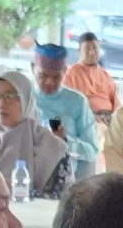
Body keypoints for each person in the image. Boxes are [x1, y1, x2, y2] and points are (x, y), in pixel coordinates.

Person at [0, 70, 70, 199]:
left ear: (26, 99)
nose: (1, 103)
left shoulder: (52, 147)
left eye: (10, 96)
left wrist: (17, 191)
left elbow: (62, 198)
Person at [31, 44, 100, 181]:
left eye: (56, 77)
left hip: (65, 178)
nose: (49, 82)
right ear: (33, 68)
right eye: (43, 75)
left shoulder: (77, 102)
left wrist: (65, 141)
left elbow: (91, 150)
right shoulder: (24, 98)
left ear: (65, 71)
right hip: (30, 173)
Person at [64, 32, 118, 124]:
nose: (92, 52)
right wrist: (91, 117)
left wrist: (116, 117)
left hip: (108, 119)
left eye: (95, 48)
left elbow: (116, 103)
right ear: (79, 51)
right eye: (87, 49)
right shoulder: (70, 74)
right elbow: (67, 104)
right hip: (85, 120)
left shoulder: (105, 74)